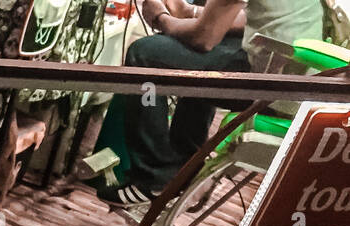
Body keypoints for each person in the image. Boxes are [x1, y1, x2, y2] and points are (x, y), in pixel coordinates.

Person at [94, 0, 324, 206]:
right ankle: (186, 163)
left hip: (270, 86)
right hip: (295, 77)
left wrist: (160, 18)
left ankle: (154, 176)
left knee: (144, 54)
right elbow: (243, 19)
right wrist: (188, 12)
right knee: (199, 54)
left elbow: (204, 38)